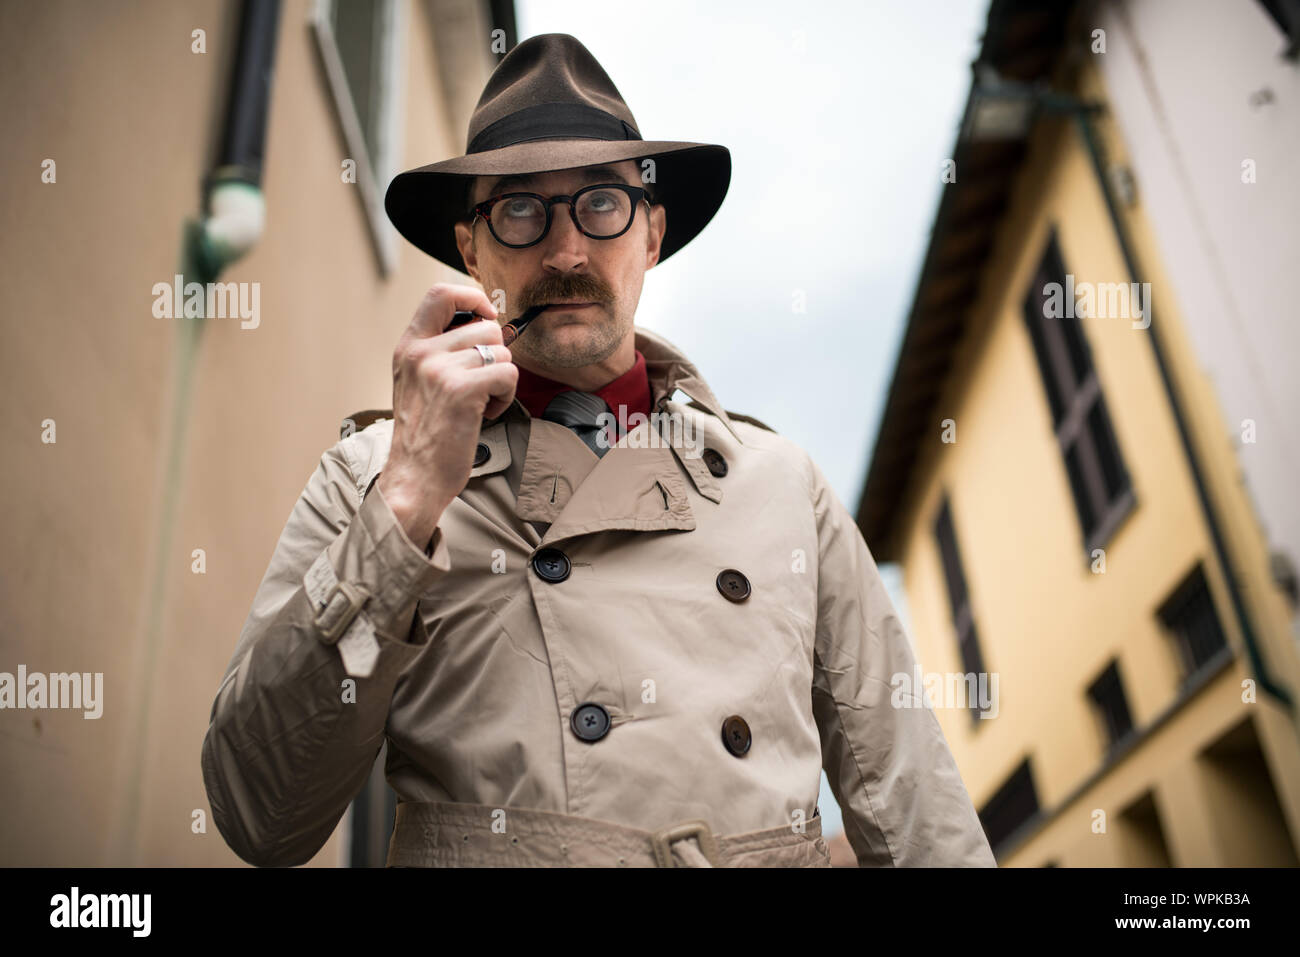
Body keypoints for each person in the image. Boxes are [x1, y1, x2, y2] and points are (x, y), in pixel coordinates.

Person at [200, 32, 996, 868]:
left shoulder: (782, 486)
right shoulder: (370, 473)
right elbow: (262, 815)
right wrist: (405, 504)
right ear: (470, 248)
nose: (567, 250)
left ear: (651, 233)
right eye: (520, 210)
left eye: (602, 204)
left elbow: (920, 813)